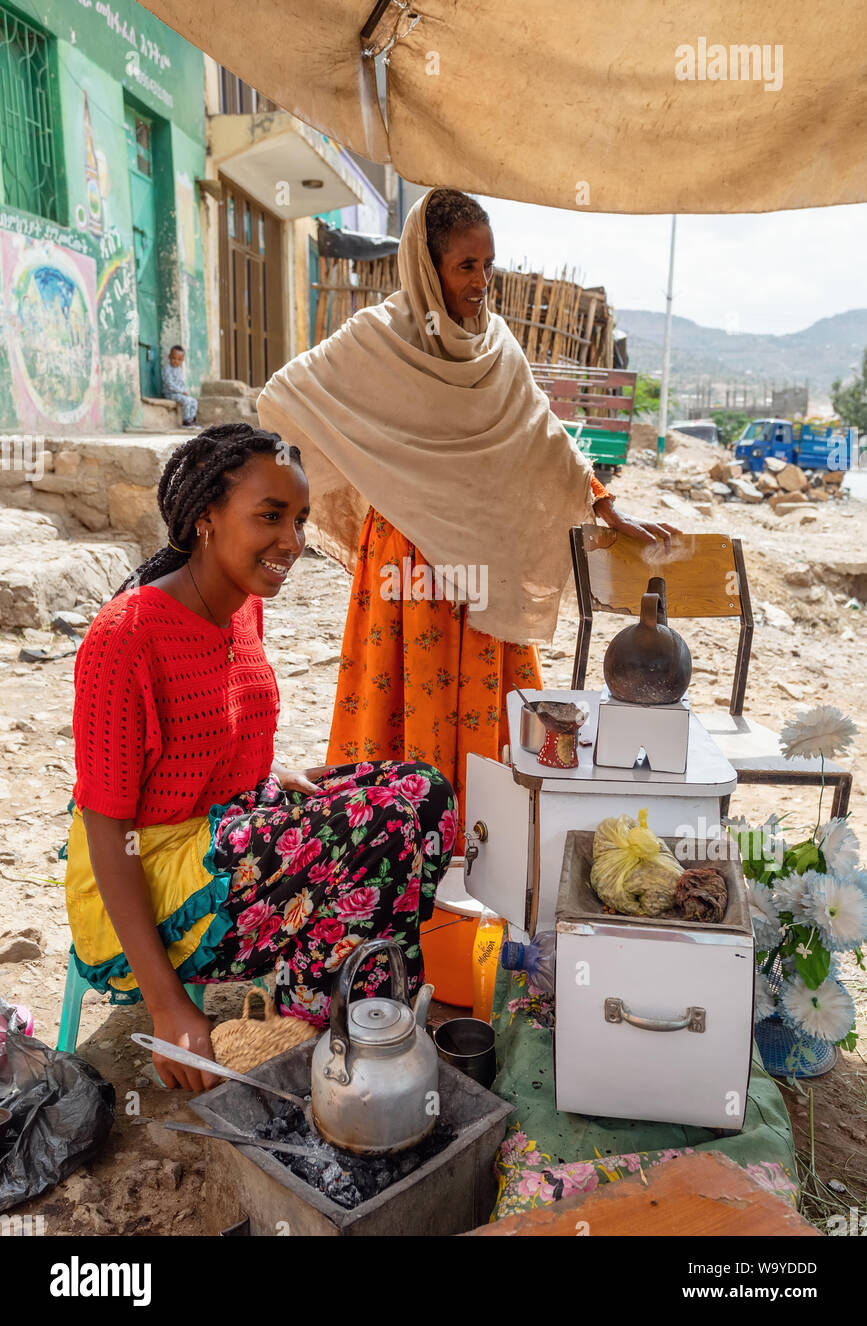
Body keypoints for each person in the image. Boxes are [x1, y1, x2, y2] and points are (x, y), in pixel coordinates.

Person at [257, 188, 676, 827]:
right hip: (408, 562)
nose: (482, 282)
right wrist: (330, 488)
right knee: (405, 711)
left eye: (488, 265)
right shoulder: (377, 340)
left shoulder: (496, 346)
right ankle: (391, 843)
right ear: (428, 269)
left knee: (486, 729)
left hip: (485, 569)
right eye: (464, 267)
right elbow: (288, 396)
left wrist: (604, 504)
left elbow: (543, 436)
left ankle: (482, 844)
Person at [66, 423, 456, 1091]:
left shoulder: (243, 607)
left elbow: (209, 729)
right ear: (205, 520)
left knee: (421, 792)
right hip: (148, 878)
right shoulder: (125, 637)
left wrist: (269, 773)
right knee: (380, 830)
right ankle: (324, 1029)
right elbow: (109, 829)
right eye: (270, 517)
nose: (292, 542)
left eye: (299, 519)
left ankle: (342, 1010)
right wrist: (169, 1008)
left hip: (228, 819)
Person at [161, 344, 198, 426]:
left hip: (179, 393)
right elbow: (169, 384)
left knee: (194, 401)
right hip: (170, 394)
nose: (176, 361)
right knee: (187, 401)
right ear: (169, 356)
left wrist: (184, 391)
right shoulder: (167, 369)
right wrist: (182, 391)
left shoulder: (179, 369)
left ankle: (192, 419)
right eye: (174, 358)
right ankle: (186, 421)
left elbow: (181, 383)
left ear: (182, 360)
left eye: (179, 359)